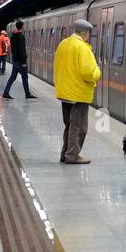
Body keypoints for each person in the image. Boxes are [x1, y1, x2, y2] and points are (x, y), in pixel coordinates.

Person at [53, 19, 100, 164]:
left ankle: (65, 153)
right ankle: (72, 155)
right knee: (79, 126)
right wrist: (97, 72)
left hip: (65, 92)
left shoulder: (63, 44)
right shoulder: (82, 48)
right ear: (85, 33)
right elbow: (88, 72)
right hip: (78, 93)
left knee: (70, 124)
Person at [2, 21, 37, 100]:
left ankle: (6, 92)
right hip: (20, 62)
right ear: (22, 26)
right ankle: (27, 94)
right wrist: (24, 62)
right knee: (24, 77)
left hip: (15, 60)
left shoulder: (12, 36)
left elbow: (13, 49)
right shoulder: (20, 36)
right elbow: (22, 50)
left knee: (13, 77)